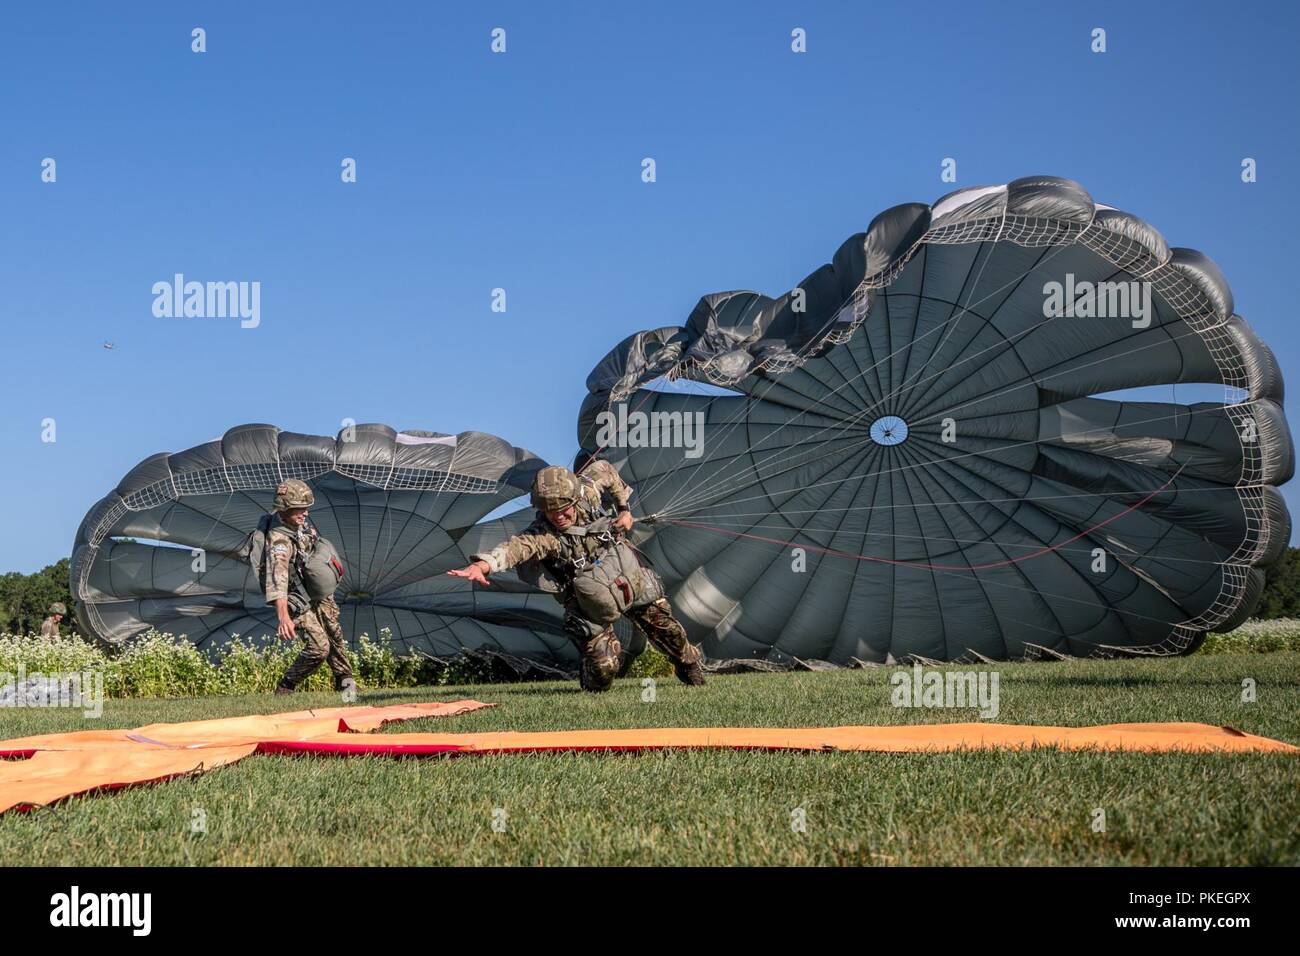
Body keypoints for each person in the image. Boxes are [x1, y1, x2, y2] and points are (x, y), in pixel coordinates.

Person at [448, 459, 705, 692]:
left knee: (669, 631)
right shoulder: (543, 535)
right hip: (586, 598)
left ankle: (690, 667)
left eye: (564, 510)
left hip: (622, 573)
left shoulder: (589, 491)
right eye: (550, 511)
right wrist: (482, 565)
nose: (559, 517)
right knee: (603, 669)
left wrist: (624, 509)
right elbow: (515, 549)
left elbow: (606, 469)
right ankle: (590, 679)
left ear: (574, 499)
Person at [264, 479, 357, 697]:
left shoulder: (300, 528)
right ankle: (285, 687)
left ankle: (347, 688)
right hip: (296, 599)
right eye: (300, 508)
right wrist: (283, 616)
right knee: (319, 647)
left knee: (335, 637)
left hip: (315, 593)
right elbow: (278, 578)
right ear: (285, 509)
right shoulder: (279, 540)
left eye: (306, 508)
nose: (305, 513)